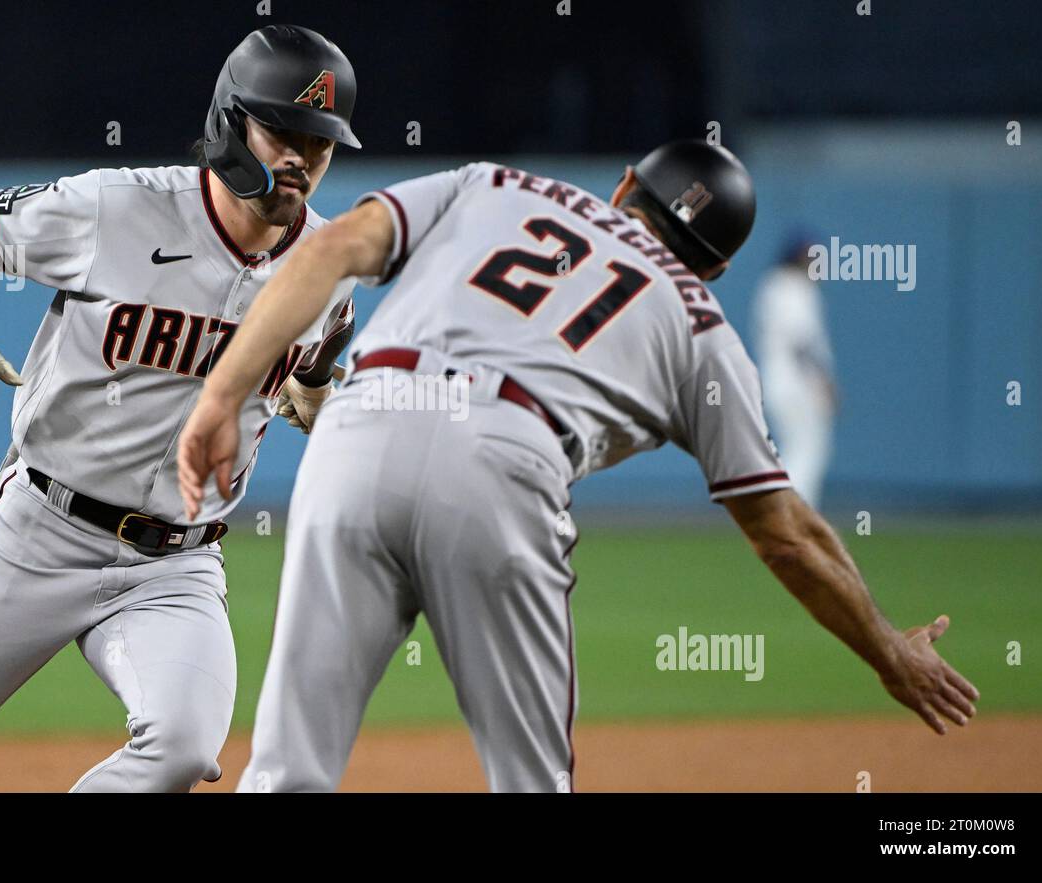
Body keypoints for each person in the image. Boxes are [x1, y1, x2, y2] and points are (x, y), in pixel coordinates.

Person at [176, 141, 980, 793]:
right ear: (717, 269)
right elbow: (785, 536)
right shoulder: (703, 324)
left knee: (286, 771)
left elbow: (334, 246)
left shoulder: (493, 183)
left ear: (625, 183)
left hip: (362, 422)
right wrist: (889, 649)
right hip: (505, 455)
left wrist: (222, 394)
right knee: (533, 781)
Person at [0, 24, 361, 793]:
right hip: (39, 532)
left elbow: (320, 354)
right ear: (231, 122)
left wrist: (315, 388)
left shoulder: (329, 264)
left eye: (320, 143)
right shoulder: (121, 208)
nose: (300, 157)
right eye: (282, 131)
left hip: (176, 564)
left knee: (184, 746)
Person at [752, 233, 836, 508]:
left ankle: (790, 511)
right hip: (798, 383)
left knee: (798, 449)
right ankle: (796, 512)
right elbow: (801, 343)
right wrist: (823, 382)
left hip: (776, 382)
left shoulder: (772, 286)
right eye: (811, 255)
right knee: (807, 449)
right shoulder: (794, 287)